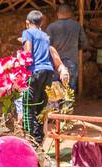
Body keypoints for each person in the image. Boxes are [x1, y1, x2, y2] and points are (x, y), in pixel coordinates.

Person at [22, 10, 71, 144]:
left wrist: (20, 67)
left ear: (27, 23)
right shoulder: (45, 37)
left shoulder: (27, 33)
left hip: (34, 72)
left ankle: (29, 140)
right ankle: (38, 139)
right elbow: (53, 56)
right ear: (41, 23)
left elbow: (28, 52)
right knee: (40, 107)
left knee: (27, 106)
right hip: (48, 73)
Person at [46, 2, 87, 97]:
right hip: (71, 61)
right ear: (70, 13)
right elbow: (84, 43)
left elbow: (46, 46)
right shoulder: (77, 26)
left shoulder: (51, 27)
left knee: (55, 88)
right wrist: (76, 48)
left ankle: (56, 110)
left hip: (55, 64)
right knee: (70, 88)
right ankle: (67, 109)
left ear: (58, 13)